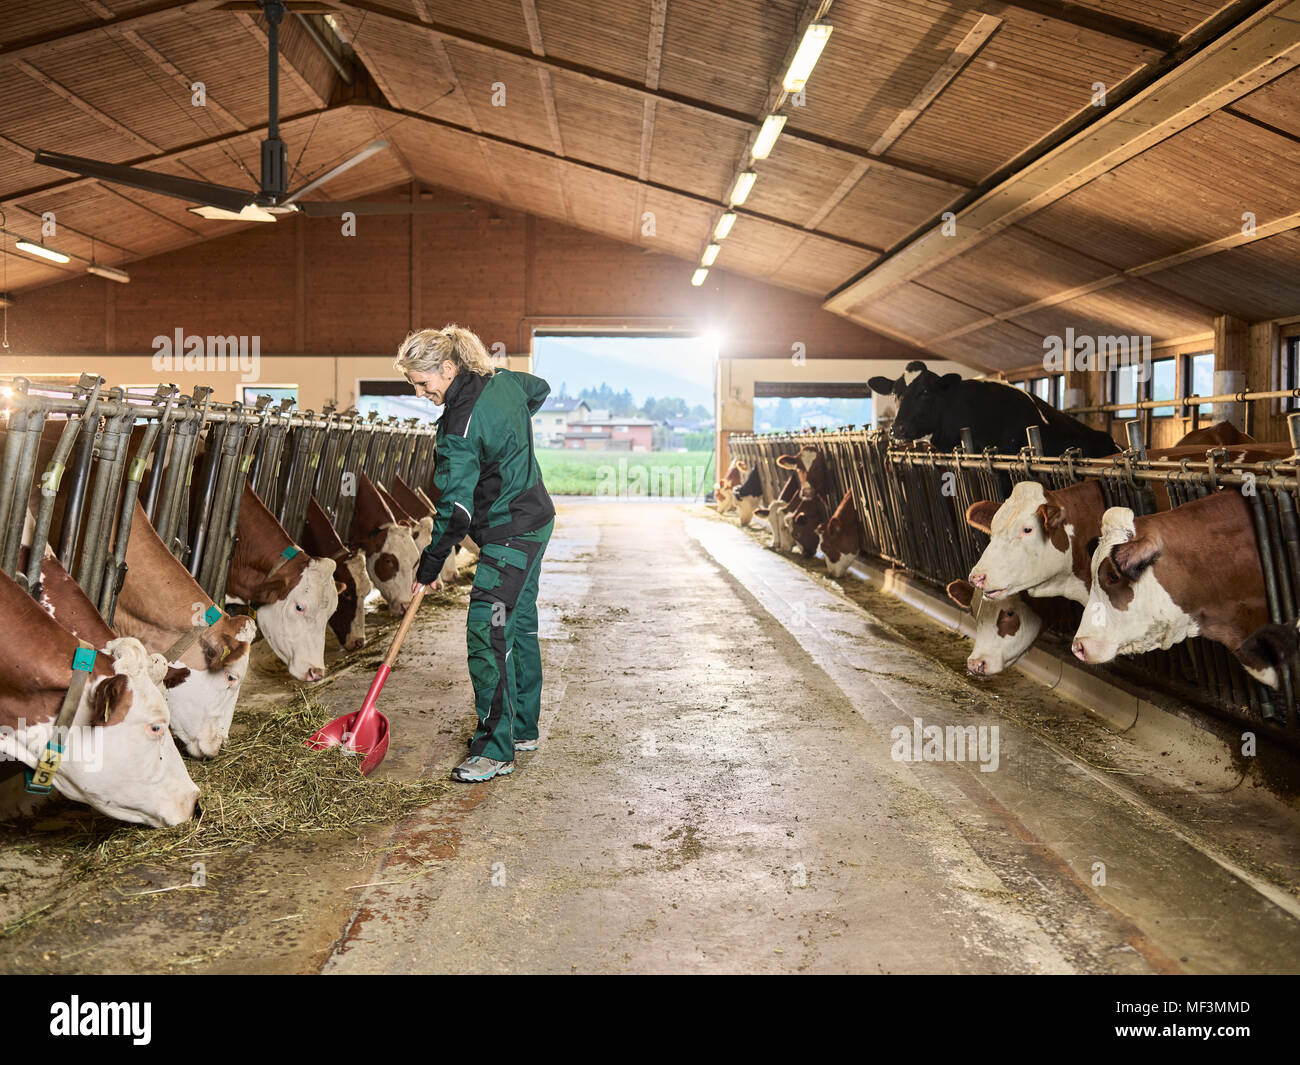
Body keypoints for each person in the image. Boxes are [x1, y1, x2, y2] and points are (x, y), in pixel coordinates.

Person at [396, 326, 555, 782]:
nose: (421, 392)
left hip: (509, 537)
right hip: (537, 518)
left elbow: (456, 510)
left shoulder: (458, 425)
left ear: (448, 369)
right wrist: (511, 446)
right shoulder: (504, 381)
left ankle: (494, 750)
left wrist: (429, 564)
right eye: (413, 384)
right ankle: (521, 728)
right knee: (518, 622)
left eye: (423, 382)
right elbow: (538, 390)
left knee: (487, 630)